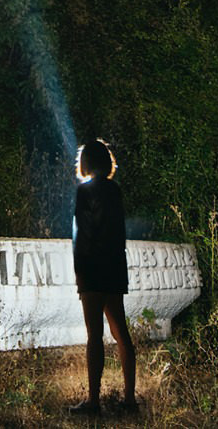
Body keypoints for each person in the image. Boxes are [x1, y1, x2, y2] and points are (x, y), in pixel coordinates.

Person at [71, 137, 137, 416]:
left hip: (92, 267)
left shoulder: (84, 191)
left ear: (84, 163)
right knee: (121, 331)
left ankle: (94, 401)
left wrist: (80, 271)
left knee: (94, 336)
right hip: (113, 266)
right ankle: (129, 399)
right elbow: (119, 231)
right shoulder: (115, 191)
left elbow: (81, 233)